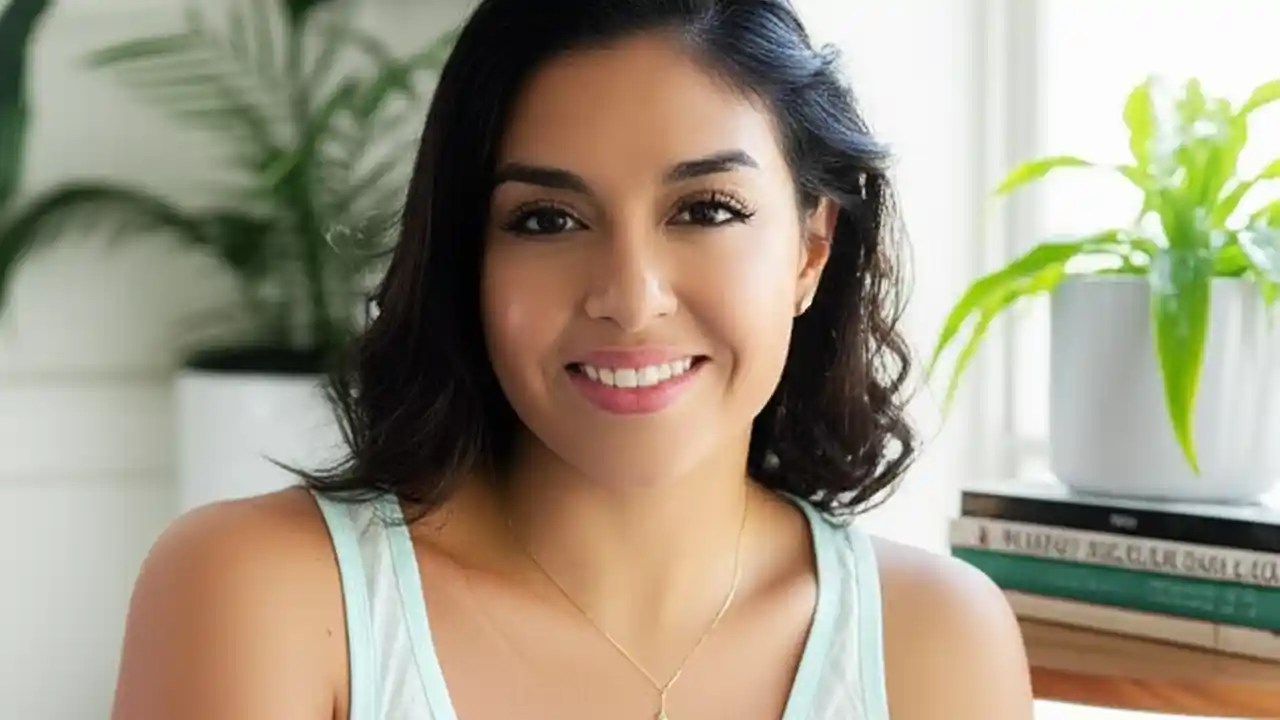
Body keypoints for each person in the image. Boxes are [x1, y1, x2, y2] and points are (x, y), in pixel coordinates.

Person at [111, 1, 1035, 718]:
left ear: (811, 248)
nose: (630, 298)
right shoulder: (260, 593)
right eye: (546, 221)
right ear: (468, 260)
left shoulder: (937, 640)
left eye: (706, 209)